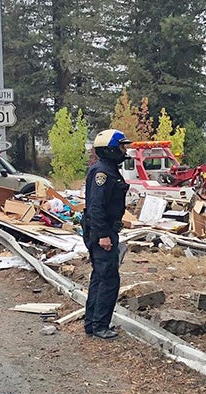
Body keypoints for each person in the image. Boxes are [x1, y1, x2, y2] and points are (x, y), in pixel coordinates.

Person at [83, 129, 132, 339]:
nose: (125, 149)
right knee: (109, 280)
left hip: (104, 230)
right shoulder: (102, 173)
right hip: (102, 232)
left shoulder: (108, 169)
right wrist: (103, 234)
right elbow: (96, 207)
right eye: (122, 146)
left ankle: (92, 323)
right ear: (111, 148)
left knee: (99, 277)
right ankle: (100, 325)